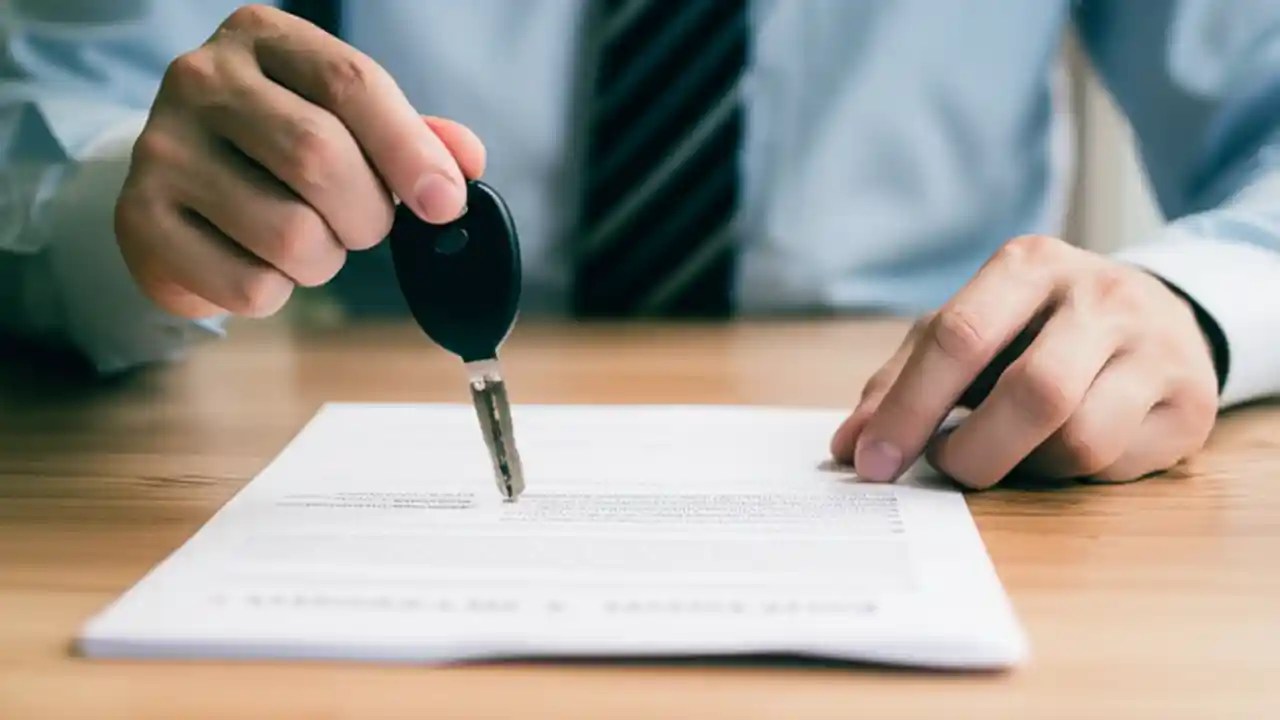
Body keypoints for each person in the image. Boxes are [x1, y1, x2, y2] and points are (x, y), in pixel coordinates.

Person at [2, 1, 1279, 489]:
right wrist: (135, 206)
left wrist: (1191, 305)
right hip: (330, 388)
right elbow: (52, 115)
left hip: (928, 413)